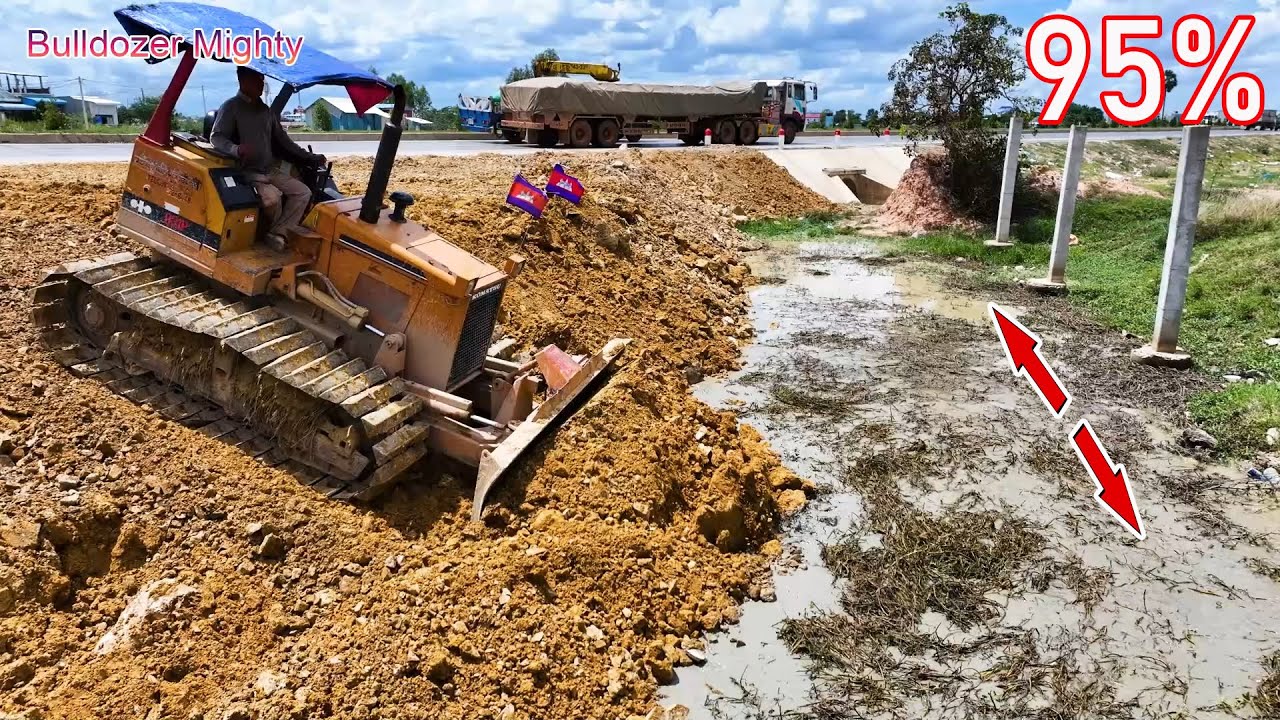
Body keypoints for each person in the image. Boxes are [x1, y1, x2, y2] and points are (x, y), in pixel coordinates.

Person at [211, 66, 326, 252]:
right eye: (257, 78)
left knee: (303, 192)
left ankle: (277, 232)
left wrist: (311, 158)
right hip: (247, 172)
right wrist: (236, 149)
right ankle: (264, 235)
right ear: (242, 80)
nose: (261, 83)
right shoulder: (231, 107)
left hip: (269, 169)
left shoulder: (265, 110)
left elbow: (284, 141)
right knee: (272, 199)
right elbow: (216, 137)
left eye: (262, 79)